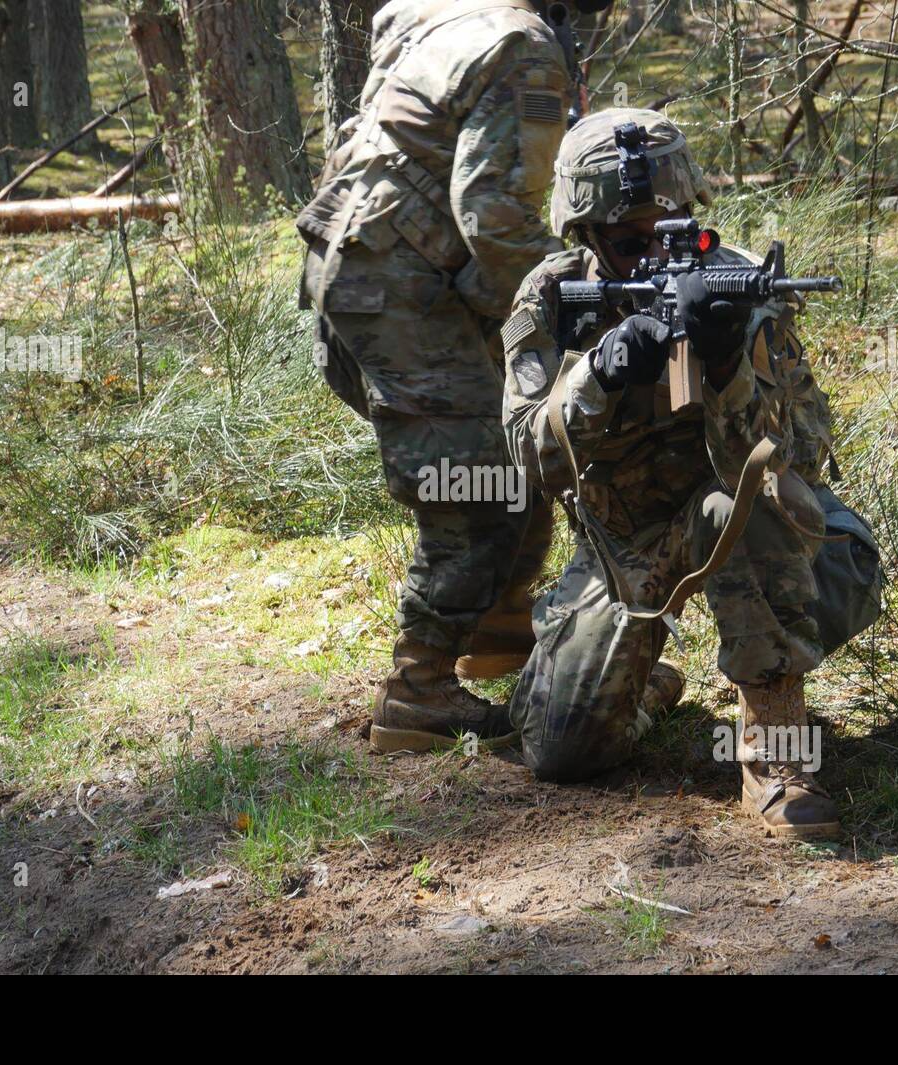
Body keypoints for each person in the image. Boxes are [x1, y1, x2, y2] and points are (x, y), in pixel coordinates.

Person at [500, 108, 881, 839]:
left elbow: (797, 456)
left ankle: (775, 753)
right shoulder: (549, 300)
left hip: (743, 519)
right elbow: (529, 459)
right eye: (626, 242)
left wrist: (731, 364)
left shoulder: (738, 288)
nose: (651, 255)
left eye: (669, 231)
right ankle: (654, 678)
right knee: (561, 748)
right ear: (582, 235)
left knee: (757, 498)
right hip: (627, 548)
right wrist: (604, 370)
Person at [298, 0, 613, 754]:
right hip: (401, 285)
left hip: (350, 267)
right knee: (471, 482)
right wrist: (588, 300)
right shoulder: (525, 49)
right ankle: (420, 687)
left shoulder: (444, 21)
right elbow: (493, 217)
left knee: (512, 448)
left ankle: (501, 632)